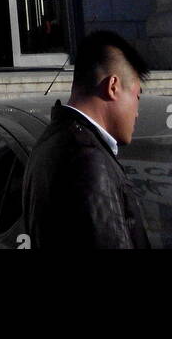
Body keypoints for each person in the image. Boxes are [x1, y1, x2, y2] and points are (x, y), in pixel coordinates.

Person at [21, 30, 151, 249]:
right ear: (113, 87)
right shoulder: (89, 161)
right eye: (137, 96)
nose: (137, 112)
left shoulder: (50, 141)